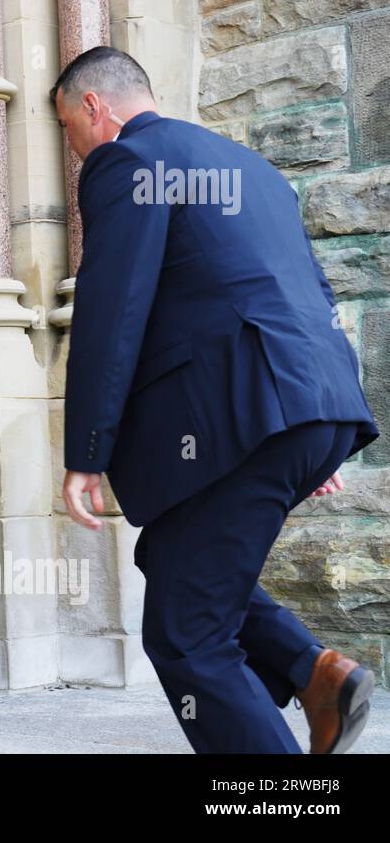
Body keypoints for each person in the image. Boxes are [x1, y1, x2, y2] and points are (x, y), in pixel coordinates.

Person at [55, 45, 379, 753]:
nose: (73, 149)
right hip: (305, 401)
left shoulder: (126, 162)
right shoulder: (252, 169)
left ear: (93, 108)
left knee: (186, 633)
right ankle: (314, 671)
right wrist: (313, 417)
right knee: (175, 560)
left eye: (67, 129)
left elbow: (112, 311)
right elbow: (307, 290)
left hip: (243, 411)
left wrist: (86, 451)